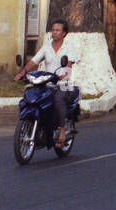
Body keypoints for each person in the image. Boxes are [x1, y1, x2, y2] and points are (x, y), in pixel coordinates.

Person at [15, 18, 78, 146]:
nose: (54, 32)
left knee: (58, 99)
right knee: (32, 95)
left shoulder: (69, 47)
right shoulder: (46, 47)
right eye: (53, 30)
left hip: (64, 84)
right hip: (48, 82)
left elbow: (68, 66)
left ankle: (61, 130)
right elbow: (34, 61)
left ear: (64, 33)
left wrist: (62, 76)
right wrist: (23, 72)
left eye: (58, 30)